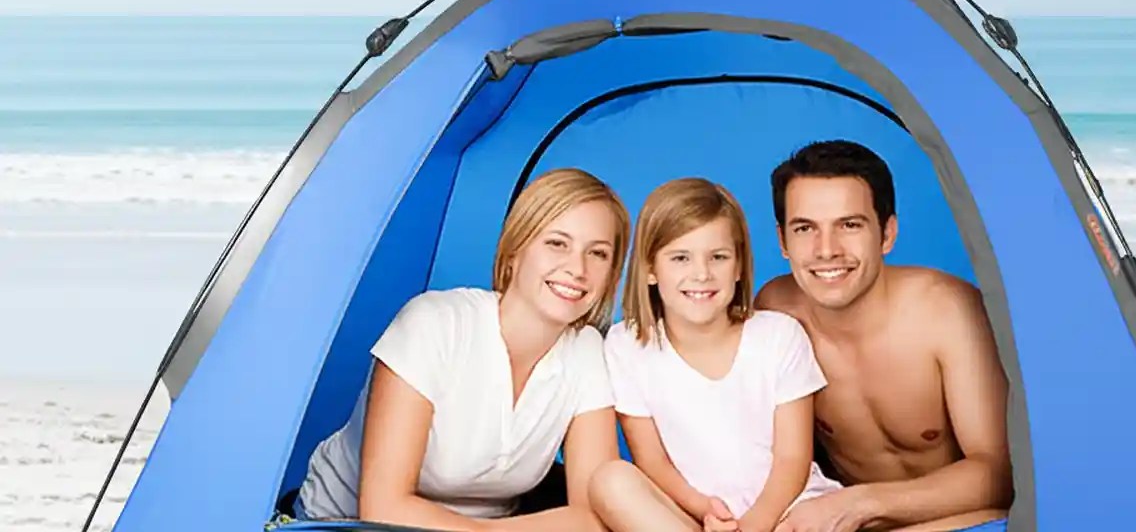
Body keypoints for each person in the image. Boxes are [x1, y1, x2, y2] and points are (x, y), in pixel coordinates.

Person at [294, 167, 629, 532]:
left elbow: (593, 515)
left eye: (598, 253)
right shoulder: (433, 324)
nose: (578, 268)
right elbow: (384, 509)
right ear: (514, 251)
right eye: (557, 243)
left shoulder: (586, 351)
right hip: (345, 525)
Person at [755, 140, 1013, 532]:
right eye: (805, 228)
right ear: (782, 241)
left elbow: (998, 476)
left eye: (849, 225)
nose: (826, 250)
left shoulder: (946, 311)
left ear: (887, 233)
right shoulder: (777, 311)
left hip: (957, 522)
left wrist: (860, 504)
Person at [587, 178, 843, 532]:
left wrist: (754, 525)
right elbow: (654, 462)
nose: (702, 274)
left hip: (789, 511)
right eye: (680, 258)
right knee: (611, 482)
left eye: (718, 257)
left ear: (738, 266)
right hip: (697, 519)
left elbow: (792, 459)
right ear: (650, 268)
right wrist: (706, 508)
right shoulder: (627, 345)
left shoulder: (779, 336)